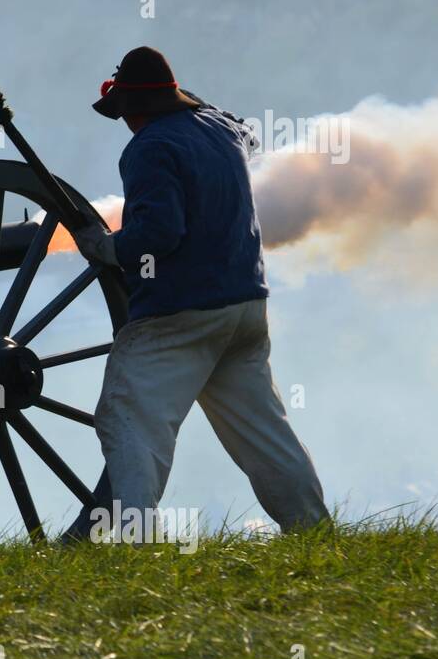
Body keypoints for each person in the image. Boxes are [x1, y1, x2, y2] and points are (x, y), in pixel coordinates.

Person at [71, 46, 328, 538]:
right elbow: (247, 131)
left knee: (130, 418)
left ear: (131, 111)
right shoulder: (221, 128)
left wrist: (105, 249)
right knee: (265, 434)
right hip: (245, 308)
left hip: (181, 314)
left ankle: (134, 538)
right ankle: (314, 531)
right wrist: (189, 102)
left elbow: (159, 232)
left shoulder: (147, 147)